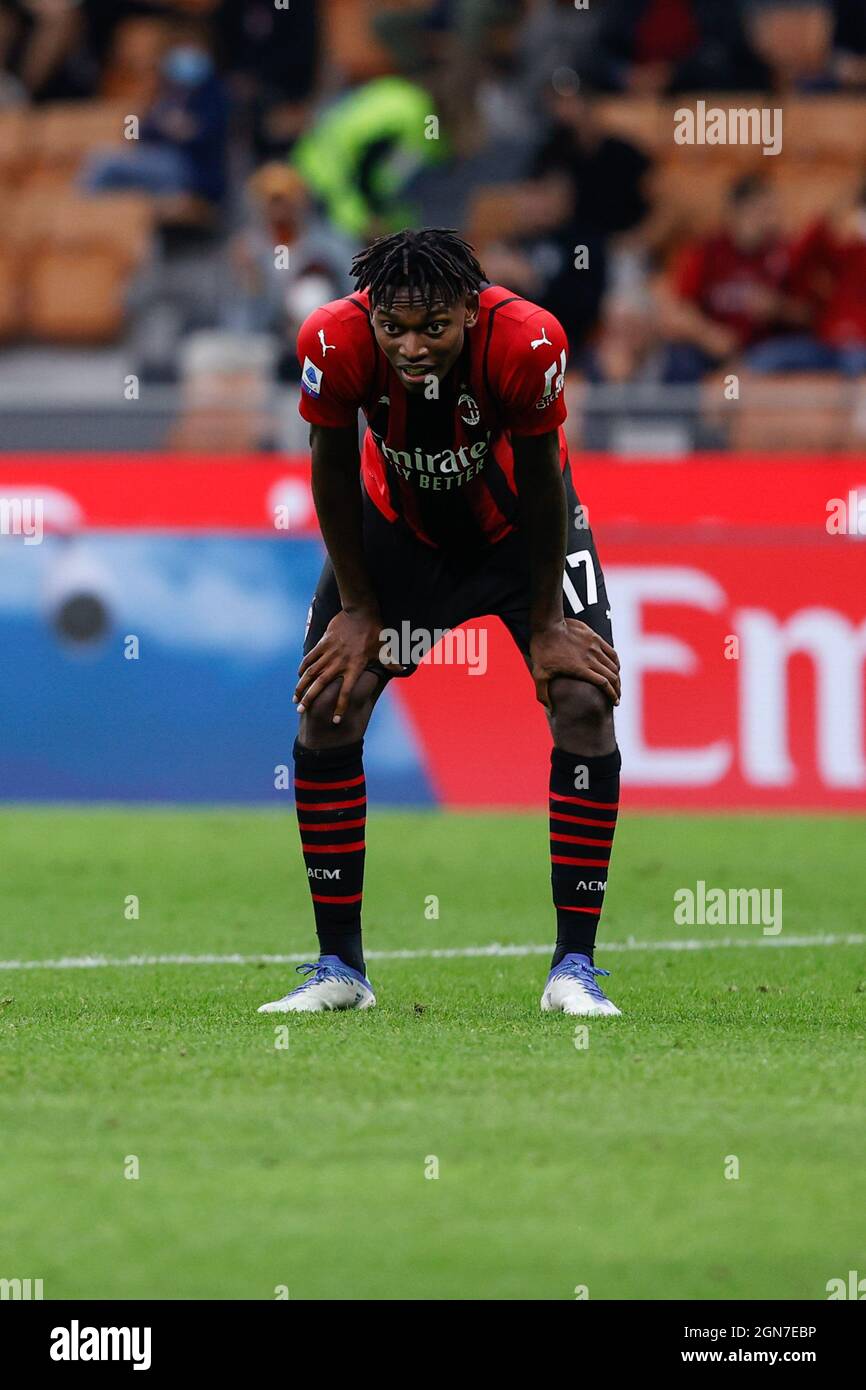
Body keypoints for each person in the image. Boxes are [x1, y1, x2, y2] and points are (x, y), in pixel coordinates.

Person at [257, 228, 623, 1019]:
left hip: (521, 536)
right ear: (372, 317)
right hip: (399, 538)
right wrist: (358, 608)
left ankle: (575, 969)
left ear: (470, 305)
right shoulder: (334, 336)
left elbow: (540, 475)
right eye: (395, 328)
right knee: (329, 705)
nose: (412, 346)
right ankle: (338, 966)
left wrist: (549, 621)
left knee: (584, 702)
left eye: (434, 327)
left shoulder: (527, 341)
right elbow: (327, 463)